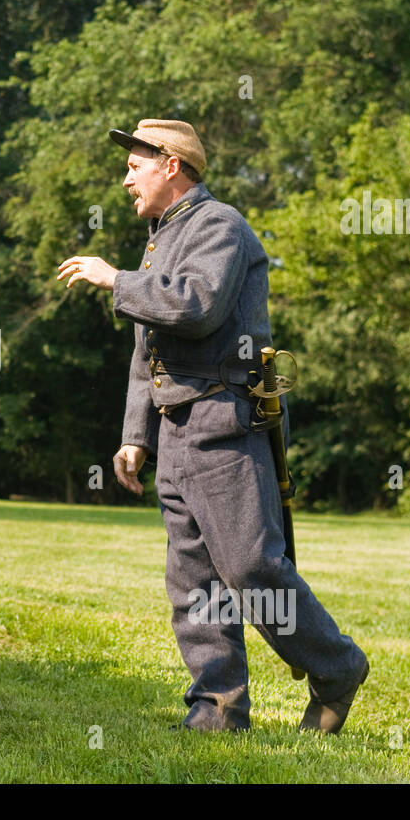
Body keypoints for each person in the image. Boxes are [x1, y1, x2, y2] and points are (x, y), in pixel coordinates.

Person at [58, 119, 369, 733]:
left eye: (135, 165)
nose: (126, 178)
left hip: (224, 425)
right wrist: (134, 435)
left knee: (253, 567)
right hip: (177, 430)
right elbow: (149, 349)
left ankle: (336, 669)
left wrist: (115, 279)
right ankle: (217, 711)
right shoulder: (162, 238)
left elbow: (197, 309)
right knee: (193, 580)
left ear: (171, 164)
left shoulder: (218, 225)